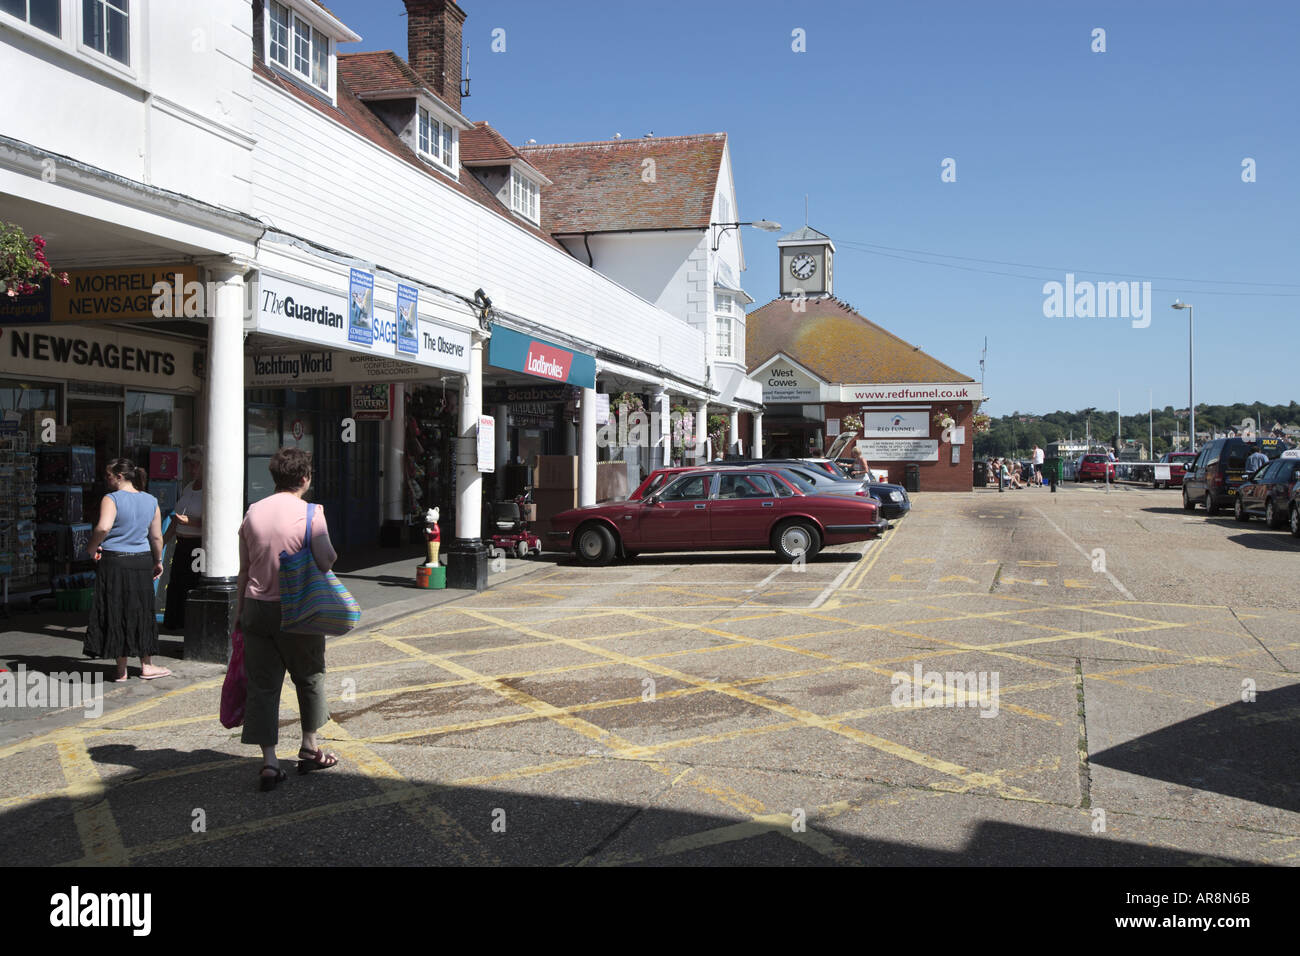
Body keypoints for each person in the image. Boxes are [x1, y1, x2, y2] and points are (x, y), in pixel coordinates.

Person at [236, 447, 340, 792]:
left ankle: (268, 762)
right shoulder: (312, 513)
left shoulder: (252, 512)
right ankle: (309, 748)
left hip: (255, 606)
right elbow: (326, 561)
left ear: (274, 477)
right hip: (299, 608)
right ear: (305, 478)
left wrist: (239, 614)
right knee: (309, 675)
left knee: (263, 685)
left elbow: (244, 568)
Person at [84, 458, 171, 681]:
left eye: (109, 476)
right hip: (141, 560)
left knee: (116, 609)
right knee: (142, 611)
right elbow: (156, 536)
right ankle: (147, 666)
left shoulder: (111, 499)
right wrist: (158, 560)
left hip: (114, 561)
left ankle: (121, 669)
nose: (107, 480)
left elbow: (104, 527)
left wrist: (91, 548)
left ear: (120, 477)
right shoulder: (151, 500)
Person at [163, 446, 204, 631]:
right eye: (189, 466)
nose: (192, 470)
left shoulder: (210, 490)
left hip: (197, 545)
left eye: (196, 465)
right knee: (177, 583)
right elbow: (177, 517)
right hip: (182, 542)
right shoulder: (188, 487)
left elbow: (215, 522)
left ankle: (192, 624)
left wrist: (190, 521)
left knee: (192, 583)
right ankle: (177, 622)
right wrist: (163, 541)